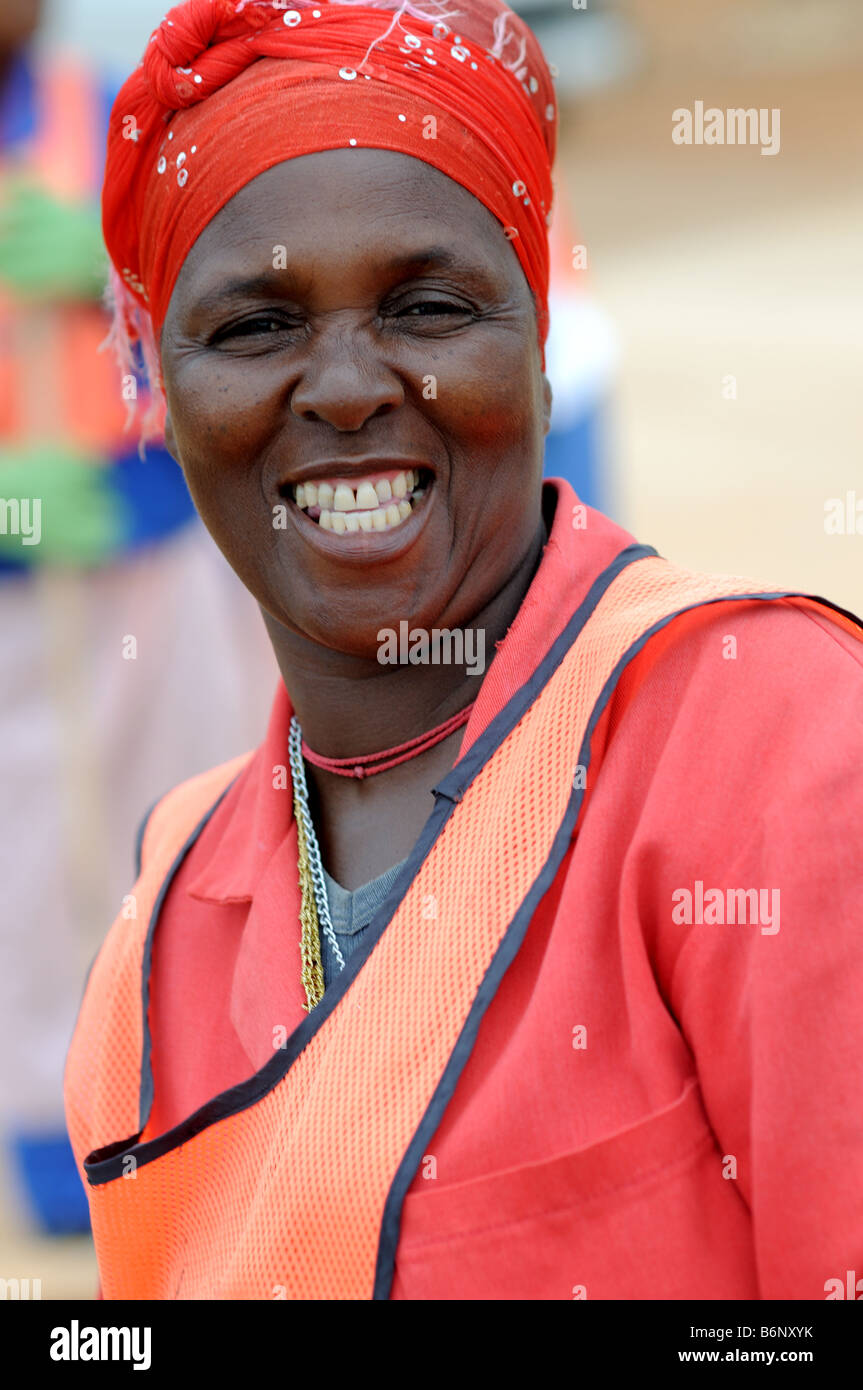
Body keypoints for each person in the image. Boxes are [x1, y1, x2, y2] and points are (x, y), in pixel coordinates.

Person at [64, 0, 863, 1300]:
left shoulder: (770, 746)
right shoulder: (163, 936)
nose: (342, 386)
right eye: (255, 326)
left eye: (427, 307)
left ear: (541, 350)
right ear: (159, 390)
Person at [0, 0, 276, 1233]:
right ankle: (55, 1138)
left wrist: (120, 271)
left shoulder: (112, 112)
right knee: (28, 859)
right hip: (19, 582)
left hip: (149, 539)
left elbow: (233, 295)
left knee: (184, 821)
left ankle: (190, 1103)